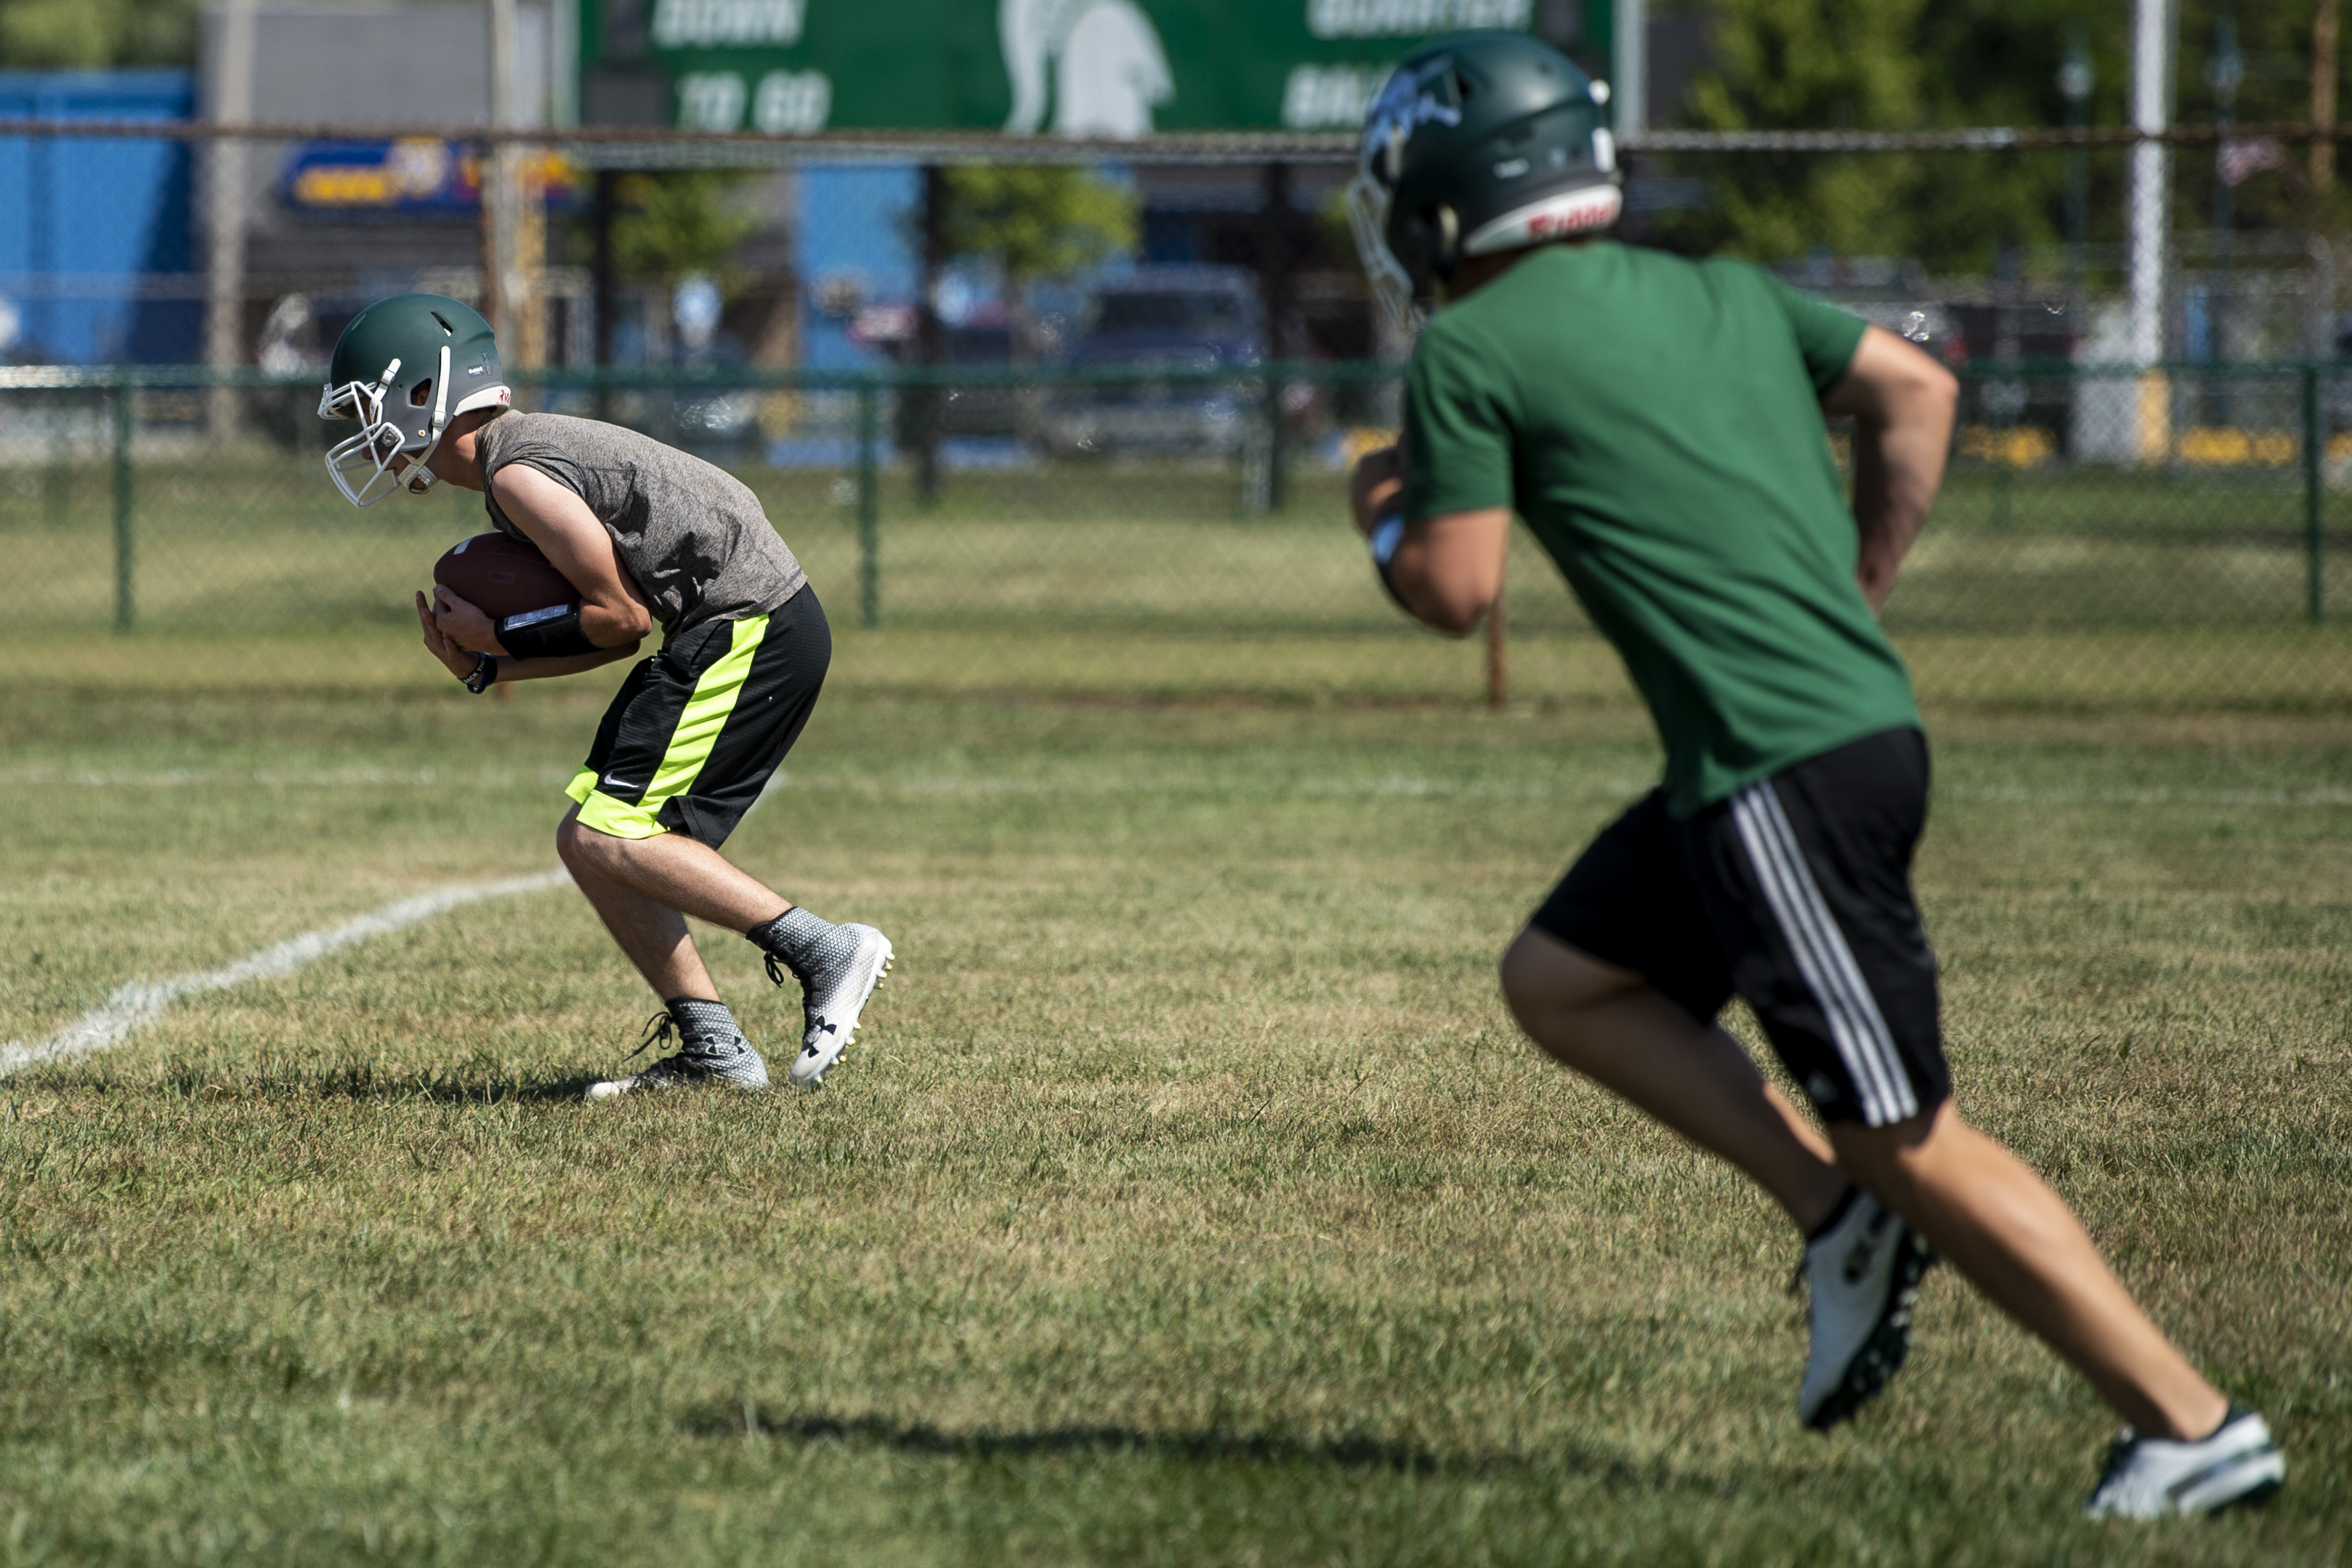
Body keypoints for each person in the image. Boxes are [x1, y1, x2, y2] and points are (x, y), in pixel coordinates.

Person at [1344, 31, 2282, 1519]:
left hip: (1771, 774)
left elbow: (1455, 588)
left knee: (1905, 1130)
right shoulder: (1712, 286)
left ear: (1450, 196)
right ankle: (1827, 1208)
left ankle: (2186, 1417)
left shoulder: (1468, 344)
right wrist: (1856, 585)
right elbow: (1914, 389)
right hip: (1820, 742)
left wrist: (1379, 509)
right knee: (1561, 977)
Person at [316, 294, 893, 1099]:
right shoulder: (515, 464)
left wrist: (501, 641)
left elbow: (617, 614)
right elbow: (618, 630)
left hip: (748, 625)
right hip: (726, 628)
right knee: (587, 838)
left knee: (615, 830)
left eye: (368, 408)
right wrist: (493, 667)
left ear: (427, 394)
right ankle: (714, 1053)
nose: (363, 433)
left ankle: (824, 950)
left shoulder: (518, 475)